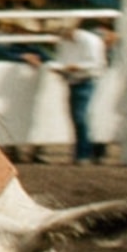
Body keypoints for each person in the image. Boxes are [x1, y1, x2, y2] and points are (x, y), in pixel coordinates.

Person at [45, 17, 109, 166]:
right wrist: (63, 69)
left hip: (86, 79)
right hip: (75, 80)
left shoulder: (90, 41)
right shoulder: (66, 42)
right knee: (79, 117)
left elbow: (96, 63)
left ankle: (84, 153)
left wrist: (74, 67)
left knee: (80, 117)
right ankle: (87, 151)